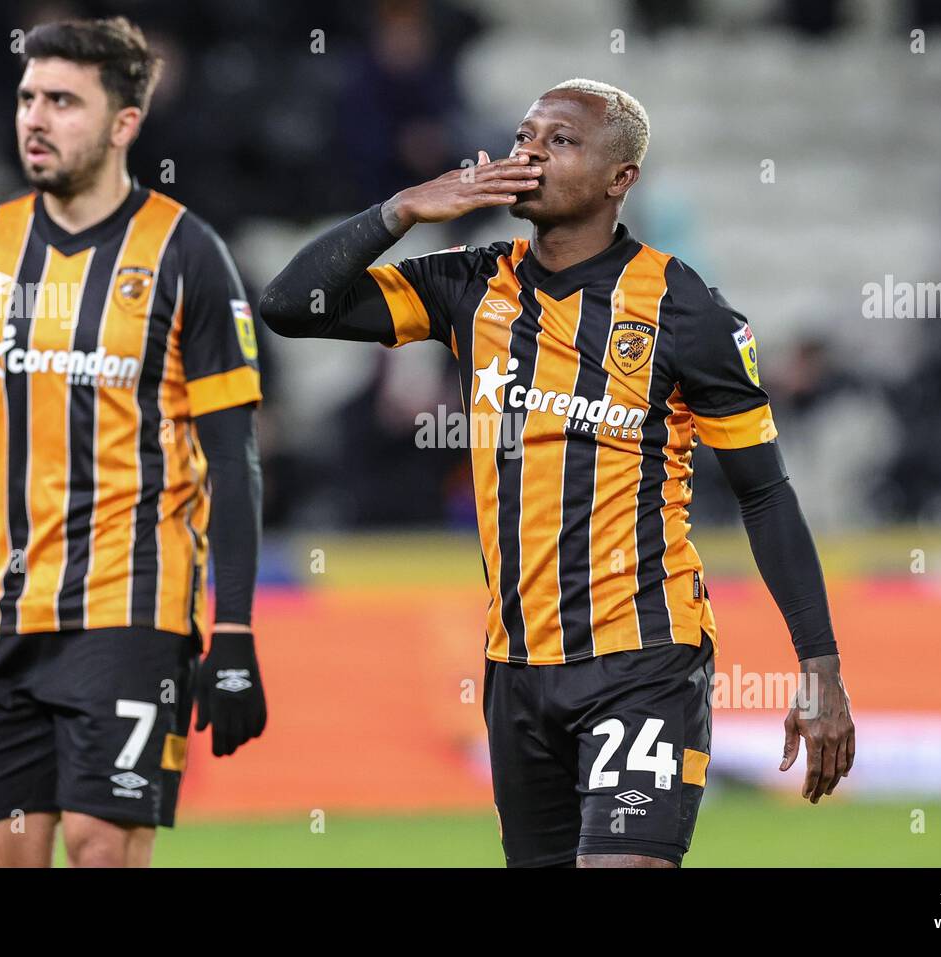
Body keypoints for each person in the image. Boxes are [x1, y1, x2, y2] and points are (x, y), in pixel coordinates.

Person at [260, 78, 855, 867]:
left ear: (620, 180)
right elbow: (290, 304)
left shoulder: (685, 312)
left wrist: (820, 668)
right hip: (516, 668)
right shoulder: (471, 286)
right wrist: (400, 210)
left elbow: (766, 492)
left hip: (643, 657)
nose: (529, 151)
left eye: (561, 140)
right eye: (523, 135)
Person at [0, 16, 267, 868]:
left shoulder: (186, 254)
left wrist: (233, 627)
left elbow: (233, 459)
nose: (35, 119)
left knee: (101, 848)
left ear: (124, 123)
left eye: (62, 101)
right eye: (27, 99)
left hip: (131, 609)